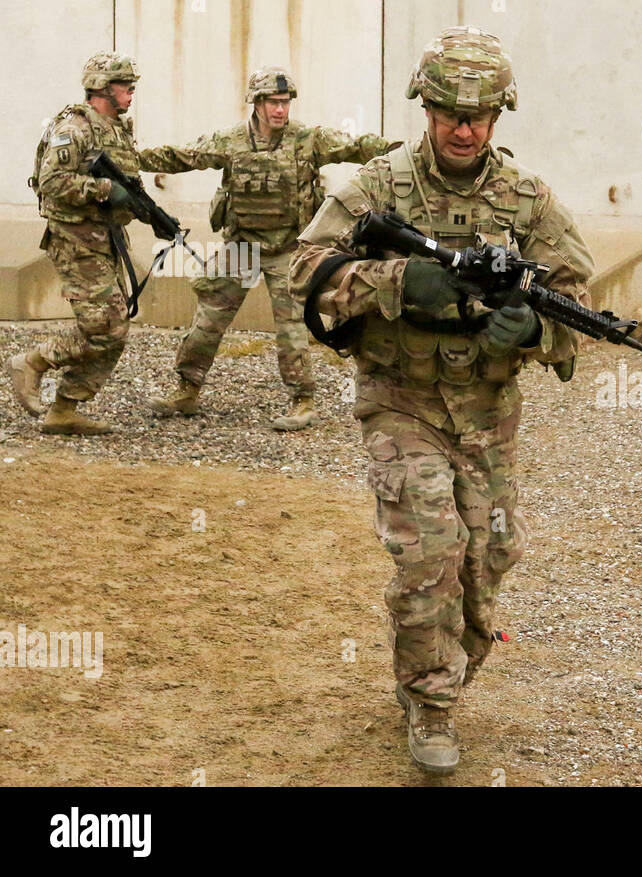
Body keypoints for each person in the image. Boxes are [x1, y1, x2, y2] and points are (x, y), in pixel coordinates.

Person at [290, 27, 594, 774]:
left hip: (487, 416)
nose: (465, 128)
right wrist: (397, 283)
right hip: (402, 403)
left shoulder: (529, 199)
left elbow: (576, 300)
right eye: (450, 112)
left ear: (500, 115)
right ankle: (430, 702)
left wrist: (533, 330)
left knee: (487, 560)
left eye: (481, 114)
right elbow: (307, 269)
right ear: (424, 109)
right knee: (430, 549)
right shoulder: (378, 186)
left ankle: (448, 665)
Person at [140, 67, 399, 430]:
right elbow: (183, 156)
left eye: (285, 102)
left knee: (292, 325)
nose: (281, 110)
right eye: (274, 103)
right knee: (208, 320)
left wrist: (405, 153)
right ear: (257, 104)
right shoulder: (230, 141)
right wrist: (131, 158)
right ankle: (187, 388)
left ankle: (302, 400)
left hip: (288, 248)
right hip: (243, 245)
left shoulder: (309, 139)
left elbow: (357, 146)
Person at [9, 52, 147, 435]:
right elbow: (52, 183)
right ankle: (33, 361)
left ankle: (64, 409)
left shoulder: (116, 129)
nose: (131, 91)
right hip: (75, 241)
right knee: (105, 326)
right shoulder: (74, 128)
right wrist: (104, 189)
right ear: (103, 87)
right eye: (124, 84)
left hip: (103, 240)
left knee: (114, 331)